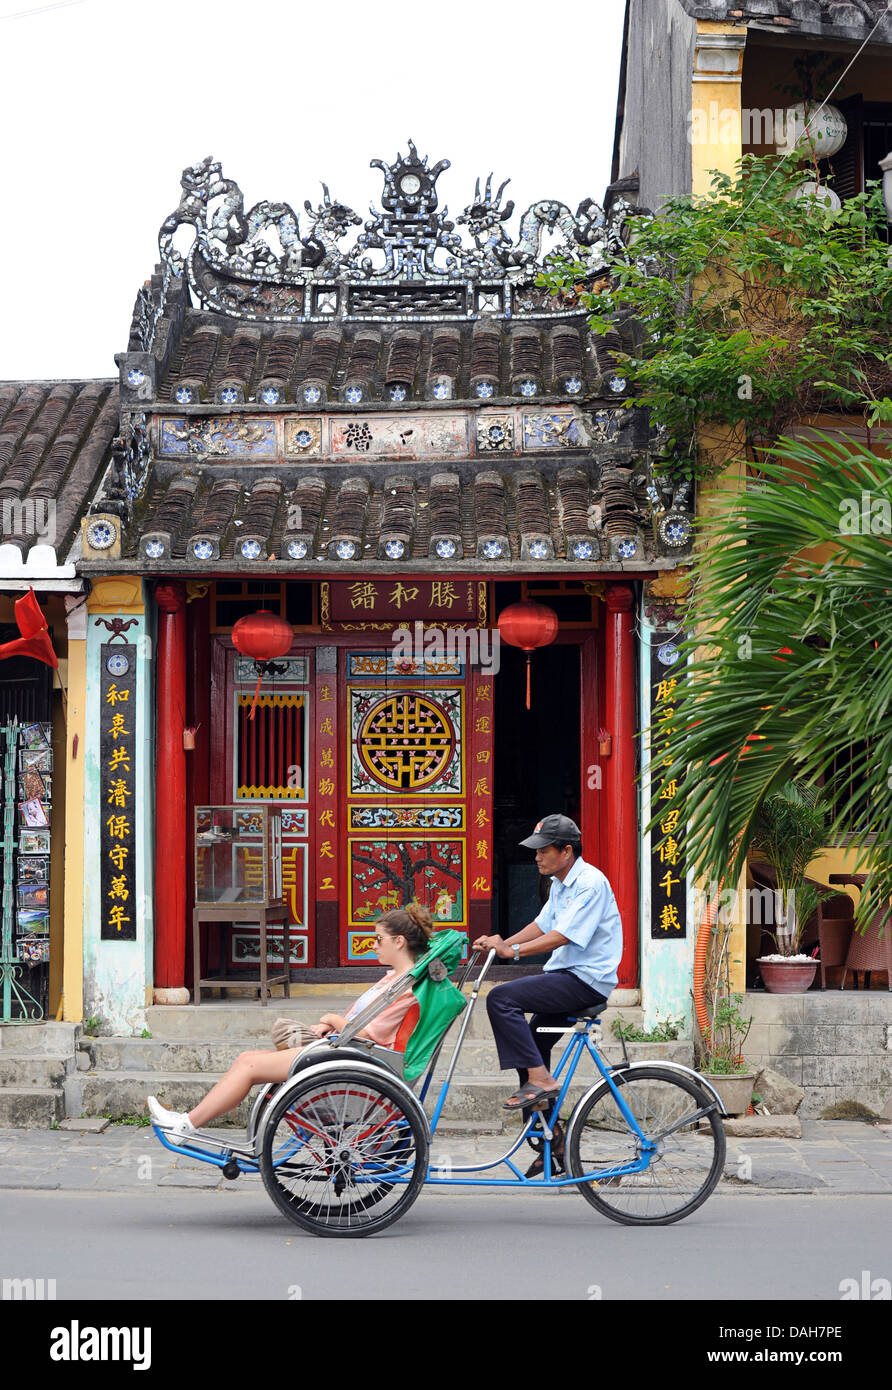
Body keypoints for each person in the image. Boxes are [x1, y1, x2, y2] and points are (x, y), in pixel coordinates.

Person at [147, 905, 432, 1144]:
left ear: (399, 941)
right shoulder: (393, 979)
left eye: (379, 939)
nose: (373, 945)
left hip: (355, 1054)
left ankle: (185, 1127)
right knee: (246, 1058)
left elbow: (368, 1032)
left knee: (249, 1067)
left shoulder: (404, 989)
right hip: (344, 1047)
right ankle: (187, 1122)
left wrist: (331, 1019)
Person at [473, 814, 623, 1173]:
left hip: (585, 979)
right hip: (566, 974)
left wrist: (517, 953)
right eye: (536, 852)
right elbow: (544, 923)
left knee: (502, 999)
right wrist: (501, 944)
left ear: (566, 851)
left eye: (544, 851)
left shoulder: (590, 883)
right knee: (531, 1053)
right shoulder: (561, 883)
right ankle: (551, 1143)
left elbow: (564, 935)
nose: (537, 858)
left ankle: (542, 1081)